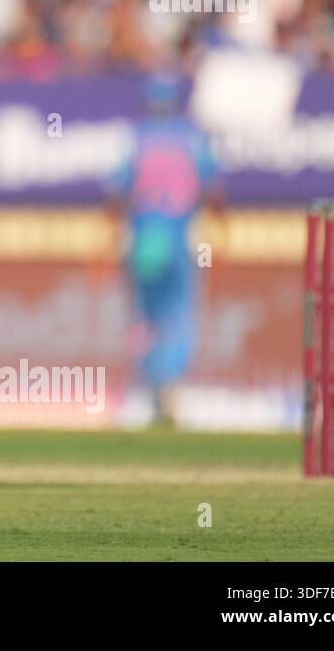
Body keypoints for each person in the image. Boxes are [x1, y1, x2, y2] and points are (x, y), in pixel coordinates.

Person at [108, 75, 224, 427]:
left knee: (145, 317)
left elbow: (115, 192)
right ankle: (169, 386)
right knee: (178, 314)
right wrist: (222, 233)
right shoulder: (192, 137)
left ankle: (149, 386)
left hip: (143, 239)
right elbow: (214, 191)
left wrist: (111, 239)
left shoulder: (137, 138)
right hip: (179, 238)